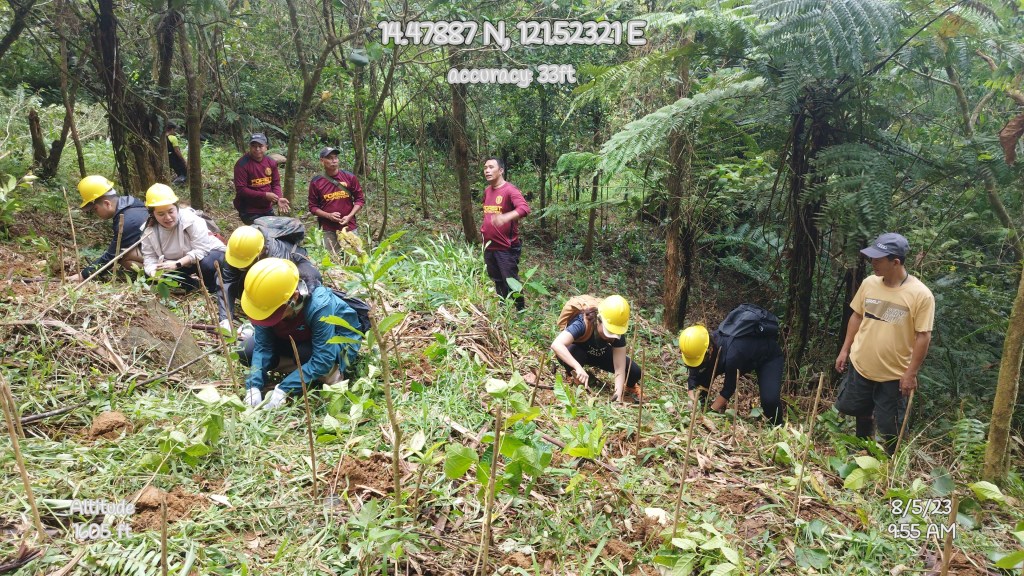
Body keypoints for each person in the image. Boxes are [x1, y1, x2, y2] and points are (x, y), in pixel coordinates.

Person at [834, 232, 934, 455]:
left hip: (894, 374)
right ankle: (863, 451)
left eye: (878, 260)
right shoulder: (870, 283)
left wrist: (910, 373)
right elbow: (857, 316)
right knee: (860, 409)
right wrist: (845, 349)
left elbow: (923, 336)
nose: (872, 263)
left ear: (895, 262)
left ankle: (890, 464)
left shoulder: (920, 295)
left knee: (891, 426)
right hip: (861, 364)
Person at [238, 258, 362, 409]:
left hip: (331, 345)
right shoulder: (265, 302)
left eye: (274, 314)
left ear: (295, 296)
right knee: (247, 350)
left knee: (306, 354)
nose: (268, 318)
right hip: (296, 337)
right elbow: (263, 346)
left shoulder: (319, 305)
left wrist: (284, 388)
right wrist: (253, 386)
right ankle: (304, 372)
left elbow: (323, 357)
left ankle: (329, 373)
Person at [679, 304, 785, 426]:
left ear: (710, 350)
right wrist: (693, 399)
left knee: (769, 401)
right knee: (703, 376)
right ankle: (702, 403)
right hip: (744, 354)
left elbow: (728, 389)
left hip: (768, 357)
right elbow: (694, 374)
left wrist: (709, 414)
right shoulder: (705, 342)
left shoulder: (733, 355)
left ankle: (777, 426)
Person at [140, 183, 228, 321]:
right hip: (175, 264)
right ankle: (194, 286)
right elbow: (149, 257)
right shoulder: (149, 231)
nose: (168, 218)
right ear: (153, 214)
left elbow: (202, 249)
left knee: (207, 264)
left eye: (171, 211)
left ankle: (211, 287)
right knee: (153, 277)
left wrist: (178, 264)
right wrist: (153, 272)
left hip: (206, 255)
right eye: (161, 214)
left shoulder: (190, 220)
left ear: (176, 208)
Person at [221, 217, 322, 331]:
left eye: (244, 264)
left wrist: (255, 324)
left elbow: (271, 297)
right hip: (259, 271)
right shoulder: (237, 251)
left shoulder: (277, 258)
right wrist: (225, 318)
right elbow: (226, 282)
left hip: (291, 272)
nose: (240, 267)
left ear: (261, 252)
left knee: (310, 283)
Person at [550, 295, 642, 403]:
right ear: (599, 320)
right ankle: (572, 375)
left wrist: (618, 396)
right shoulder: (582, 322)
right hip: (579, 352)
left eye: (614, 333)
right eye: (608, 332)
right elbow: (557, 344)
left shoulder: (617, 329)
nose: (611, 336)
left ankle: (630, 387)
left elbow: (619, 367)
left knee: (635, 371)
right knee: (572, 352)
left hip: (600, 353)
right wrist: (577, 367)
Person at [68, 175, 147, 282]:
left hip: (165, 258)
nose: (95, 213)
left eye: (95, 209)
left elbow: (112, 256)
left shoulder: (127, 221)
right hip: (161, 250)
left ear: (107, 204)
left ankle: (158, 277)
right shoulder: (132, 203)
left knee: (124, 255)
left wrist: (83, 275)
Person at [480, 157, 530, 310]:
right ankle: (503, 308)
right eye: (485, 168)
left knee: (510, 280)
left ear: (500, 170)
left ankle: (520, 310)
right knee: (497, 279)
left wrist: (506, 217)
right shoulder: (487, 191)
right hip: (489, 246)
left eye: (491, 167)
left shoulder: (510, 190)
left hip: (506, 247)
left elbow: (524, 208)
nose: (487, 170)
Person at [308, 147, 366, 253]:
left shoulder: (349, 177)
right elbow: (312, 207)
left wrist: (349, 216)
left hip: (349, 227)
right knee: (333, 262)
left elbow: (360, 199)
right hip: (328, 229)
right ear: (322, 161)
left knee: (354, 260)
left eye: (335, 158)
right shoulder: (316, 182)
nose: (334, 161)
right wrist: (328, 216)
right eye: (330, 158)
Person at [233, 133, 289, 224]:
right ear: (250, 147)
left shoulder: (271, 162)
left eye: (260, 146)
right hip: (249, 210)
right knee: (261, 233)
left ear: (266, 147)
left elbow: (275, 183)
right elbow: (241, 190)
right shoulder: (242, 164)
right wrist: (264, 195)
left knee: (272, 233)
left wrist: (278, 198)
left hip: (266, 208)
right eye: (254, 146)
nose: (257, 149)